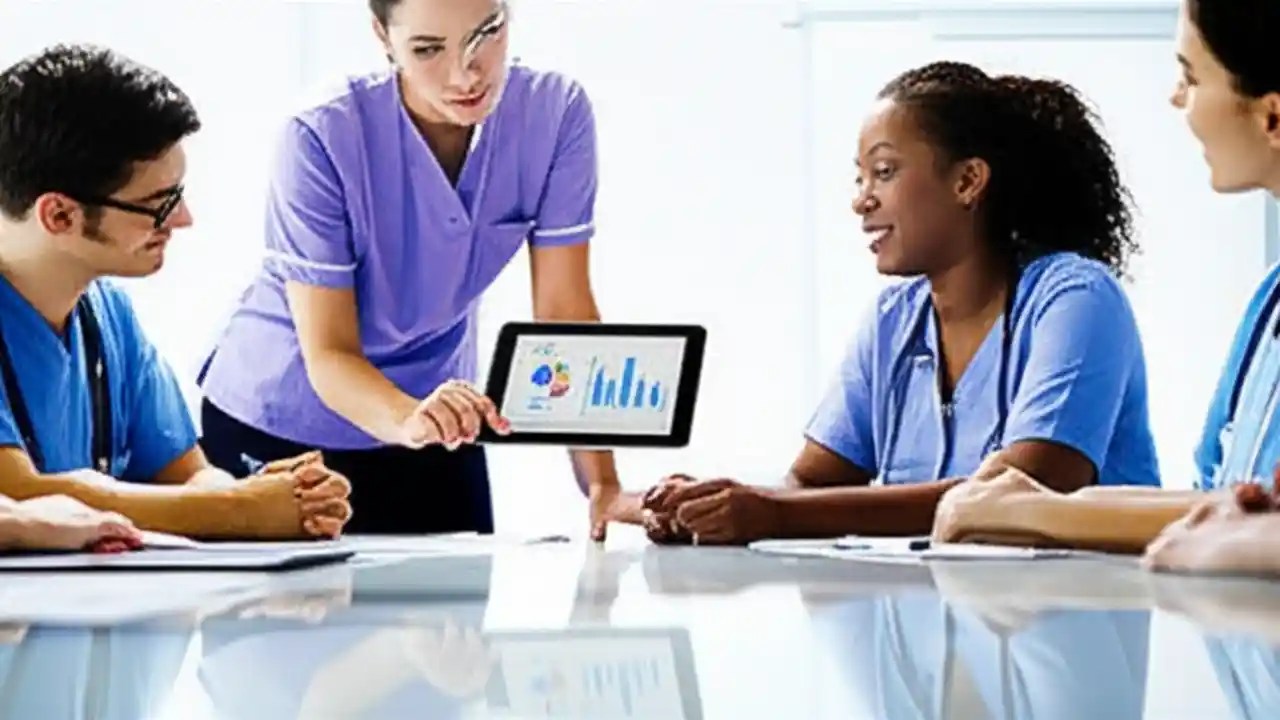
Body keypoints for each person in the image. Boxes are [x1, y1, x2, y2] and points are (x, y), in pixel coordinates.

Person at [641, 60, 1160, 546]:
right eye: (860, 177)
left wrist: (774, 514)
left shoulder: (1076, 299)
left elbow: (1024, 491)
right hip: (929, 625)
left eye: (884, 172)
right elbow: (811, 483)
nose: (861, 200)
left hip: (1074, 631)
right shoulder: (894, 320)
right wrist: (709, 505)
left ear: (967, 181)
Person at [196, 0, 638, 537]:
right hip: (287, 417)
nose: (465, 74)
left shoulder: (554, 114)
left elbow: (564, 312)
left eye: (486, 34)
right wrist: (410, 419)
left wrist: (602, 485)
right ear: (383, 37)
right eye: (428, 49)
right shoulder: (320, 134)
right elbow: (329, 351)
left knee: (457, 618)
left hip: (440, 411)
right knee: (306, 615)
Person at [932, 0, 1280, 565]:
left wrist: (1034, 511)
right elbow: (1218, 502)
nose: (1176, 98)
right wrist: (1025, 502)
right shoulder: (1269, 301)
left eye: (1191, 78)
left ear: (1272, 118)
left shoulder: (1078, 295)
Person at [0, 44, 352, 540]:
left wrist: (271, 496)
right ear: (60, 215)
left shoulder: (108, 314)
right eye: (159, 206)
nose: (184, 220)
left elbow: (187, 476)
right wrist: (238, 510)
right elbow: (17, 495)